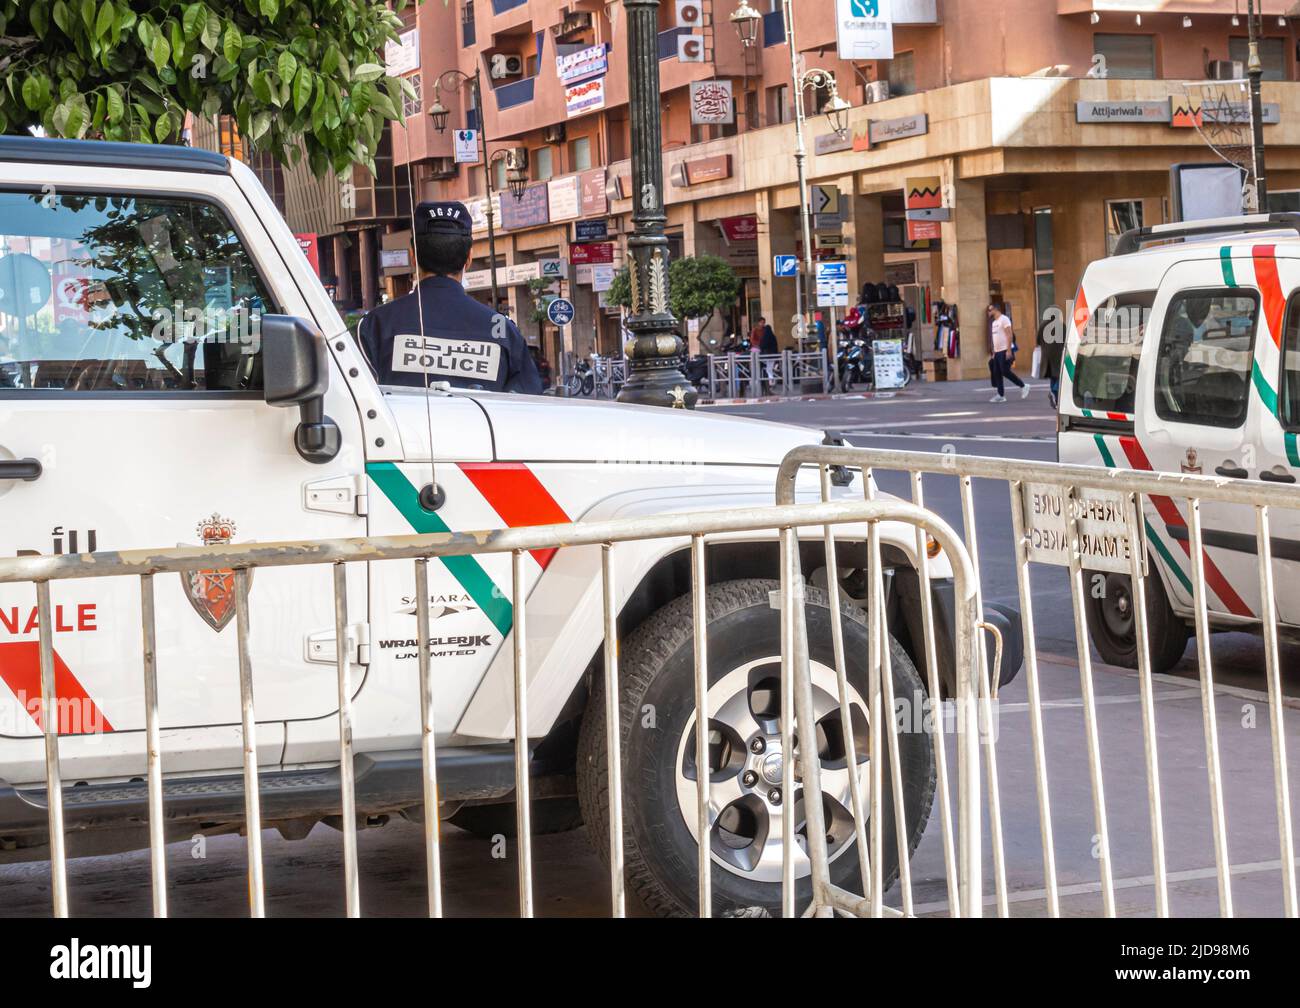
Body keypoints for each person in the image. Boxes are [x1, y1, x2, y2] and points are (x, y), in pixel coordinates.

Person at [359, 201, 542, 393]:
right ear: (469, 258)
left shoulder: (375, 326)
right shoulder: (502, 330)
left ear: (413, 257)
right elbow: (527, 406)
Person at [987, 303, 1027, 403]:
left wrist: (1009, 350)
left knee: (1004, 371)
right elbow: (995, 338)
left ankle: (1023, 385)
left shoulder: (1004, 319)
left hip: (1005, 350)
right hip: (997, 351)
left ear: (996, 309)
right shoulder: (994, 323)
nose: (989, 312)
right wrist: (994, 352)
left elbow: (1009, 335)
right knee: (997, 372)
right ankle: (1001, 395)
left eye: (990, 310)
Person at [1038, 313, 1065, 409]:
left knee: (1052, 377)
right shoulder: (1062, 325)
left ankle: (1055, 398)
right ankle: (1054, 392)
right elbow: (1066, 340)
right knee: (1058, 377)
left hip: (1046, 356)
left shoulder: (1042, 325)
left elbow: (1038, 341)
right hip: (1058, 355)